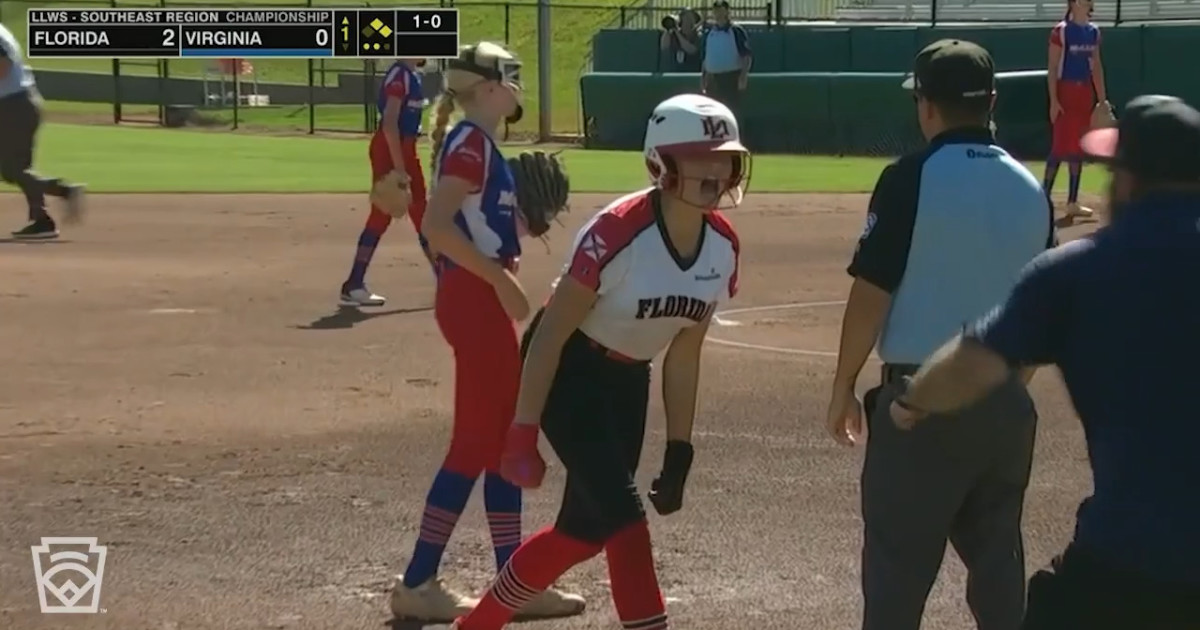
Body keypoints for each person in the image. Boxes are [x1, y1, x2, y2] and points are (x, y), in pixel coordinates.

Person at [887, 93, 1200, 630]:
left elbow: (973, 364)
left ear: (1127, 180)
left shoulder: (1078, 273)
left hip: (1131, 563)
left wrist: (913, 399)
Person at [449, 92, 746, 630]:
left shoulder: (722, 247)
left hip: (627, 380)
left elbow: (684, 353)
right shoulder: (616, 231)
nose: (715, 170)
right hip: (569, 371)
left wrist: (680, 449)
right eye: (699, 157)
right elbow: (550, 334)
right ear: (661, 162)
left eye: (724, 157)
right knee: (626, 523)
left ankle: (475, 626)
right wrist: (523, 429)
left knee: (582, 534)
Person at [825, 39, 1055, 630]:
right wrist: (1006, 384)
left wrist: (843, 384)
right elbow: (1042, 309)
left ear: (925, 106)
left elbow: (871, 292)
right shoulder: (1033, 190)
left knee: (896, 576)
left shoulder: (910, 178)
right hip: (1005, 402)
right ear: (991, 102)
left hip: (919, 403)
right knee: (999, 566)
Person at [389, 41, 584, 622]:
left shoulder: (478, 144)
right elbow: (437, 226)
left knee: (498, 444)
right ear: (490, 87)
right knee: (478, 445)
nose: (519, 86)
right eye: (512, 77)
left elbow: (466, 226)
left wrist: (513, 226)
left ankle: (511, 582)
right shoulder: (472, 144)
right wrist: (500, 280)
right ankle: (420, 580)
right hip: (476, 301)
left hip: (473, 297)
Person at [339, 57, 431, 307]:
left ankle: (448, 284)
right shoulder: (399, 75)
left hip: (404, 150)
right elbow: (390, 124)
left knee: (422, 214)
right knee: (384, 215)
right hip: (392, 150)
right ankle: (354, 284)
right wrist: (400, 169)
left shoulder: (412, 76)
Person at [0, 23, 84, 241]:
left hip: (11, 105)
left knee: (11, 169)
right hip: (19, 102)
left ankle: (65, 191)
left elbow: (3, 65)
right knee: (19, 168)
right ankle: (42, 220)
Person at [1045, 0, 1109, 221]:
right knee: (1059, 146)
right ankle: (1043, 198)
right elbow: (1052, 68)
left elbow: (1097, 66)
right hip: (1066, 91)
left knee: (1077, 148)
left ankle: (1072, 201)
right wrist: (1054, 100)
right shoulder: (1061, 31)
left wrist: (1102, 100)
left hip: (1084, 93)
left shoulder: (1093, 32)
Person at [700, 1, 752, 115]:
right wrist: (704, 78)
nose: (718, 13)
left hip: (731, 78)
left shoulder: (736, 31)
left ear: (727, 12)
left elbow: (746, 55)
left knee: (732, 110)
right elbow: (705, 58)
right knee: (712, 111)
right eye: (716, 10)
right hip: (713, 80)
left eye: (721, 10)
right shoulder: (709, 33)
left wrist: (743, 76)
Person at [659, 8, 702, 72]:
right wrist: (668, 28)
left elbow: (691, 50)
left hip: (692, 74)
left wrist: (678, 33)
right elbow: (664, 47)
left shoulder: (698, 35)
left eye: (689, 20)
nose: (686, 22)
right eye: (684, 19)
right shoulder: (673, 34)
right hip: (674, 73)